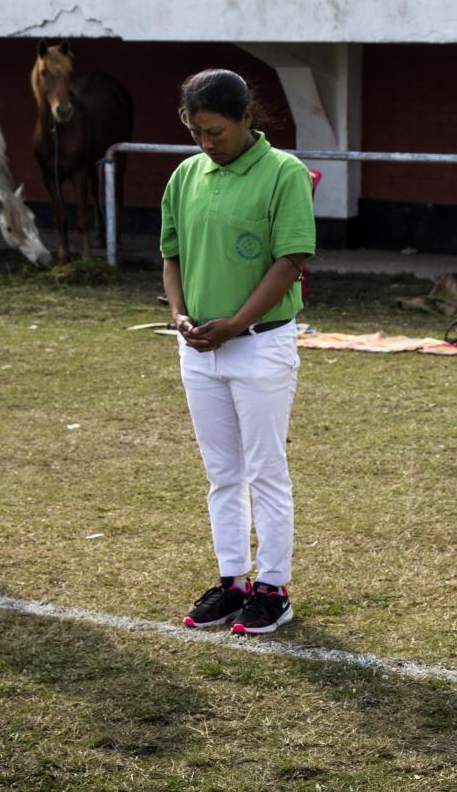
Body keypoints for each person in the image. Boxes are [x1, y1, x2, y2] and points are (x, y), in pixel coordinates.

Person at [161, 70, 315, 636]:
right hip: (200, 347)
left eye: (215, 132)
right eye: (195, 132)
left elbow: (290, 261)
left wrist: (236, 324)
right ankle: (233, 581)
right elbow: (172, 255)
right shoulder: (185, 176)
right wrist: (180, 314)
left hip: (260, 345)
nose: (206, 143)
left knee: (265, 470)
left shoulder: (284, 173)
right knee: (222, 473)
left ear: (247, 118)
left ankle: (273, 589)